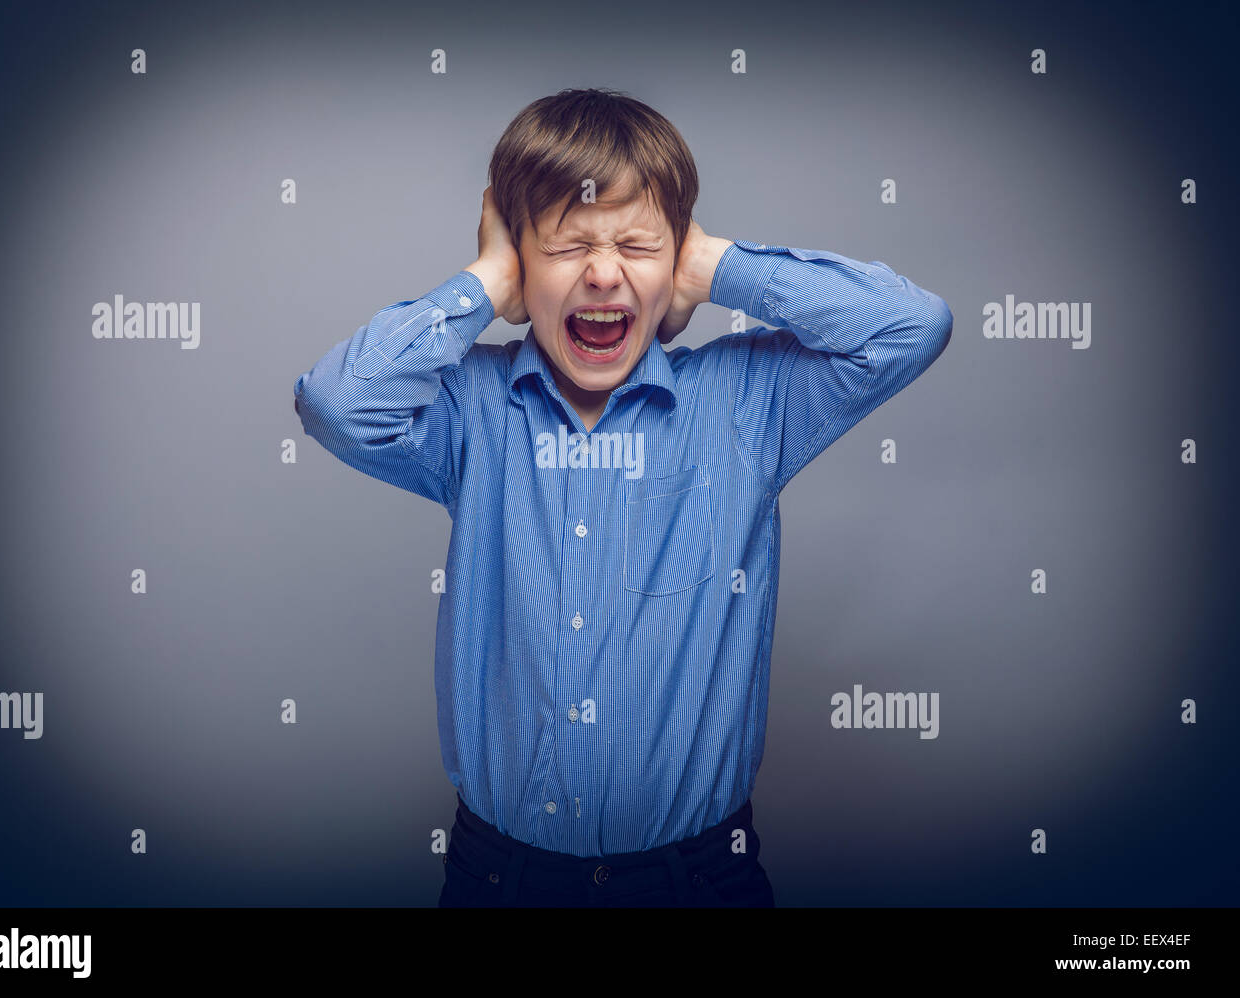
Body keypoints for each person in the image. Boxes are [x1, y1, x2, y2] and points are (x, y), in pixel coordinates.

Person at [292, 87, 953, 906]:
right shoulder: (469, 412)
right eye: (566, 247)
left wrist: (716, 266)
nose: (604, 275)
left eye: (639, 245)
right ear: (520, 262)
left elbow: (912, 326)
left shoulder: (746, 404)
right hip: (501, 879)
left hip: (698, 880)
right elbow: (337, 404)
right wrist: (483, 281)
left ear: (675, 256)